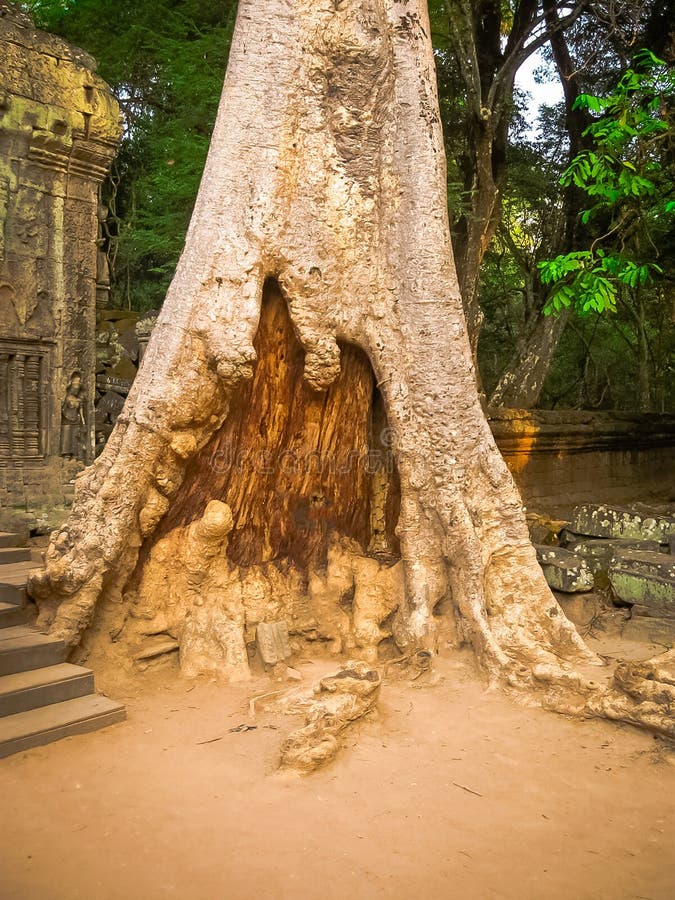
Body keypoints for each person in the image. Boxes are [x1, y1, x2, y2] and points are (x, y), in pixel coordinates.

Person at [60, 371, 85, 459]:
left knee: (75, 437)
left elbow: (81, 410)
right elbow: (62, 407)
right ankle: (66, 454)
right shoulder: (67, 398)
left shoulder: (79, 400)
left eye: (78, 388)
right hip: (66, 419)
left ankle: (75, 454)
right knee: (66, 436)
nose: (76, 390)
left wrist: (83, 421)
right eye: (75, 388)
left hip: (76, 420)